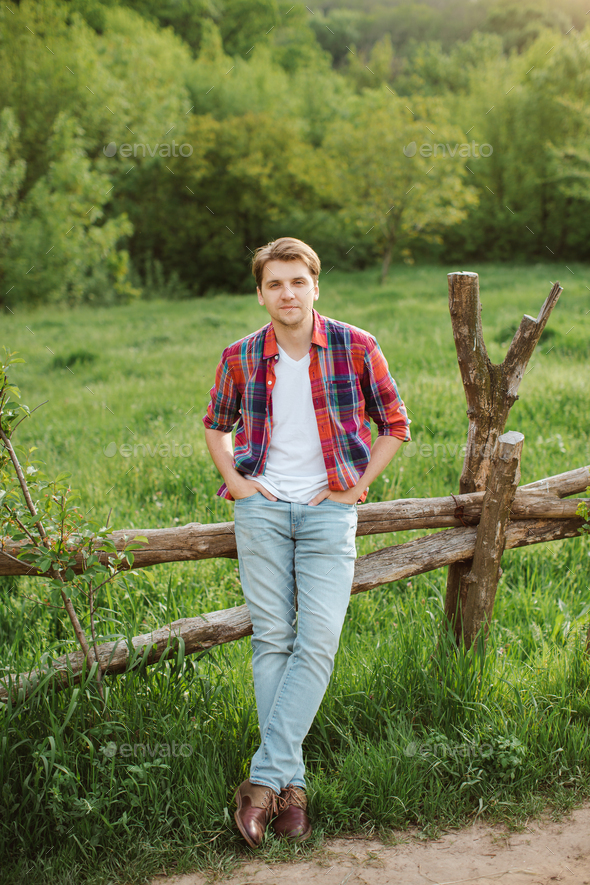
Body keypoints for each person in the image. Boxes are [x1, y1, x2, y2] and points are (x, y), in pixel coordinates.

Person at [202, 237, 411, 848]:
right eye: (275, 284)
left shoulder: (356, 345)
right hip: (261, 511)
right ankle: (290, 793)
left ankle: (261, 783)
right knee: (273, 639)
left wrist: (356, 488)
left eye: (297, 281)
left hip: (328, 513)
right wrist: (239, 485)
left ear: (316, 286)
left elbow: (396, 423)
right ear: (260, 293)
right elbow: (216, 425)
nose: (287, 293)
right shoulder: (240, 355)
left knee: (316, 641)